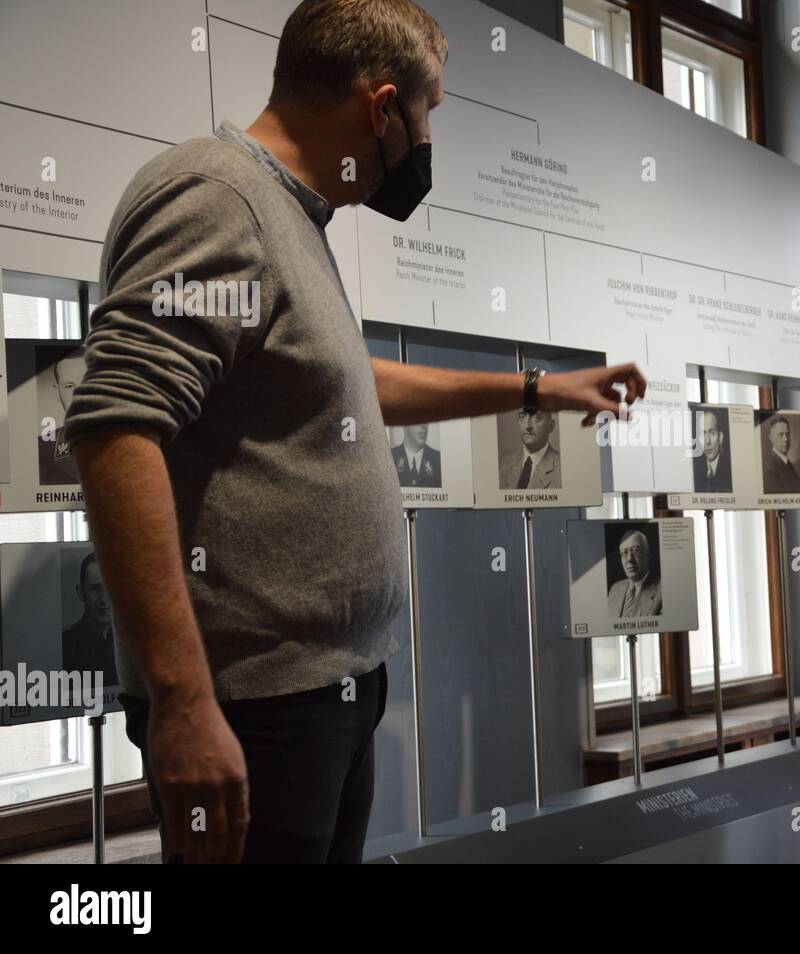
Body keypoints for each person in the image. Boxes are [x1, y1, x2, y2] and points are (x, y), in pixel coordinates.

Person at [65, 0, 645, 865]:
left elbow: (352, 386)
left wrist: (539, 389)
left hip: (323, 694)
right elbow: (116, 425)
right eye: (429, 111)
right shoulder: (218, 197)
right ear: (381, 109)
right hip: (254, 709)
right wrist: (183, 702)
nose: (427, 139)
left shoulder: (287, 214)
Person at [61, 552, 119, 686]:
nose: (104, 599)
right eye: (95, 588)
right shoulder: (67, 644)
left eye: (109, 588)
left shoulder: (132, 643)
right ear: (81, 592)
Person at [38, 347, 86, 486]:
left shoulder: (130, 442)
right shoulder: (41, 450)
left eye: (87, 382)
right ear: (57, 392)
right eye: (69, 386)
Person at [499, 408, 561, 489]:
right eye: (522, 416)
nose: (527, 426)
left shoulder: (561, 468)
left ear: (550, 426)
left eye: (536, 418)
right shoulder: (503, 462)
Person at [607, 530, 662, 618]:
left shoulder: (662, 590)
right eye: (624, 552)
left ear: (648, 554)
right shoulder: (615, 589)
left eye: (636, 551)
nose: (629, 559)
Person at [692, 407, 731, 494]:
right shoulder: (695, 471)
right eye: (703, 434)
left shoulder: (730, 470)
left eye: (712, 433)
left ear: (720, 437)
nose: (707, 441)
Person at [762, 414, 800, 494]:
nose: (786, 439)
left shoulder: (787, 463)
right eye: (781, 435)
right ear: (772, 438)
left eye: (787, 434)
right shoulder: (769, 468)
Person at [391, 422, 441, 487]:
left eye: (427, 419)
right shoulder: (390, 457)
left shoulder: (438, 459)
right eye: (417, 419)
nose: (424, 426)